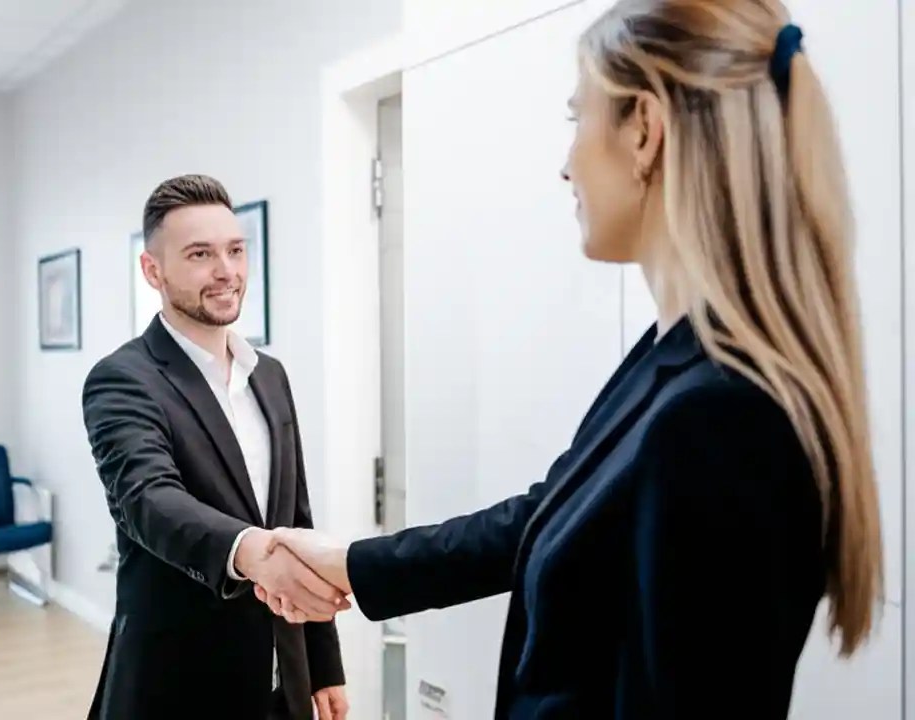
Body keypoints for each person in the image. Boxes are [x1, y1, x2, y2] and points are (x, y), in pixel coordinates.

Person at [257, 1, 885, 718]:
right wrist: (355, 565)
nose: (566, 165)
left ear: (644, 129)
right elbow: (546, 513)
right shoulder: (674, 360)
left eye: (576, 119)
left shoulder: (721, 416)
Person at [82, 174, 351, 720]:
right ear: (153, 270)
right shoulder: (122, 379)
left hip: (281, 680)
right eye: (200, 254)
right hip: (177, 681)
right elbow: (148, 500)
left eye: (235, 250)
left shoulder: (269, 375)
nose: (226, 271)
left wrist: (323, 663)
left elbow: (297, 519)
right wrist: (252, 553)